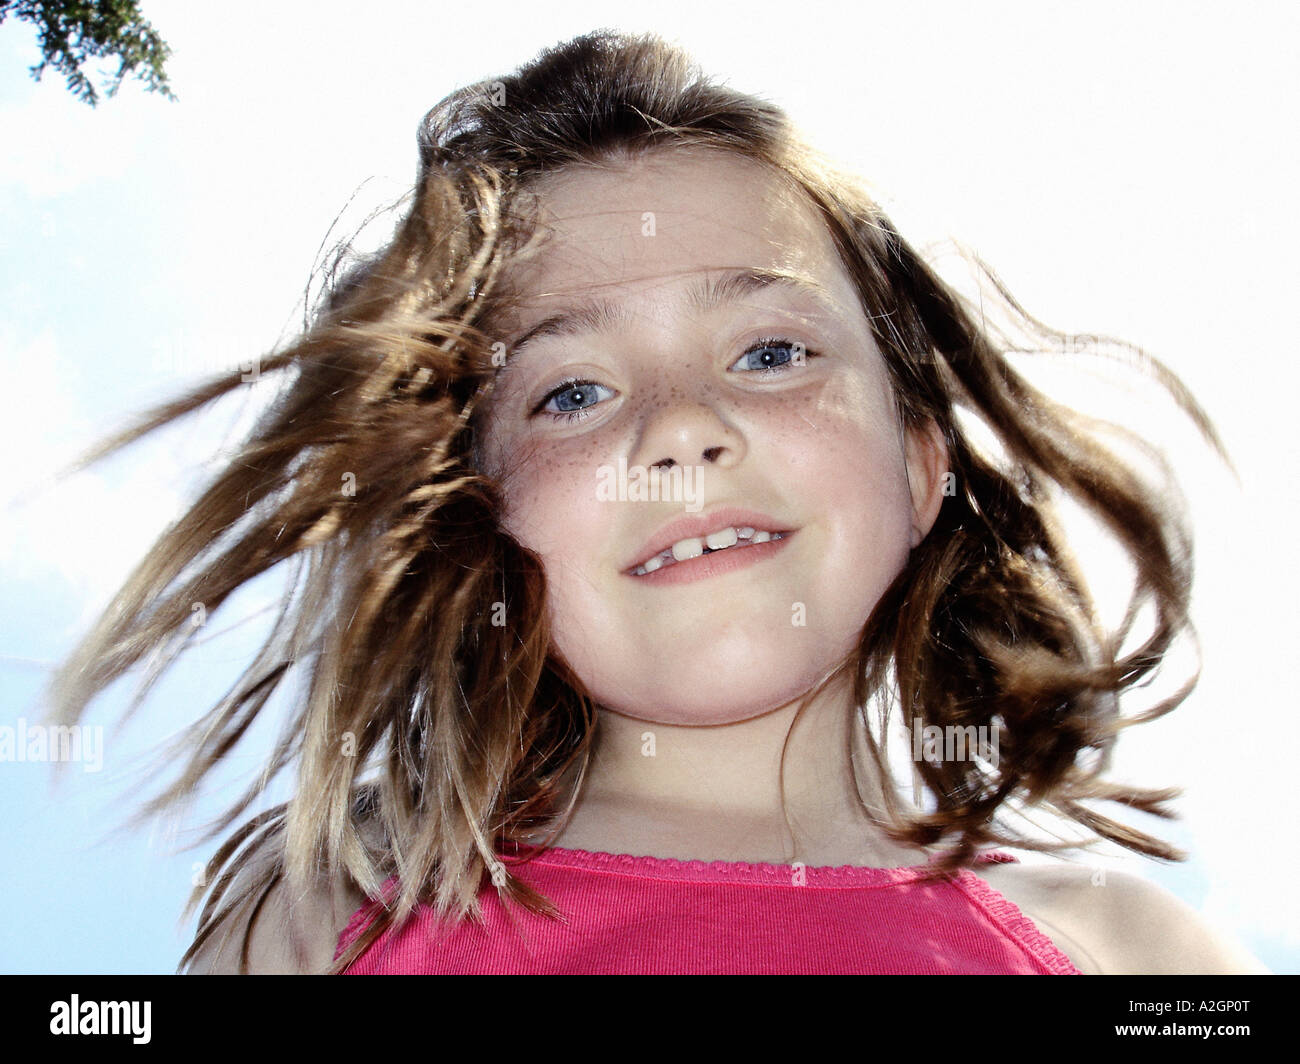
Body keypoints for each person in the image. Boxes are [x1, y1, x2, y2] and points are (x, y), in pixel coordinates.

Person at [49, 30, 1264, 974]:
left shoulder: (1134, 949)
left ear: (917, 462)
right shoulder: (337, 916)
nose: (678, 425)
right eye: (570, 391)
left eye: (772, 351)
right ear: (481, 513)